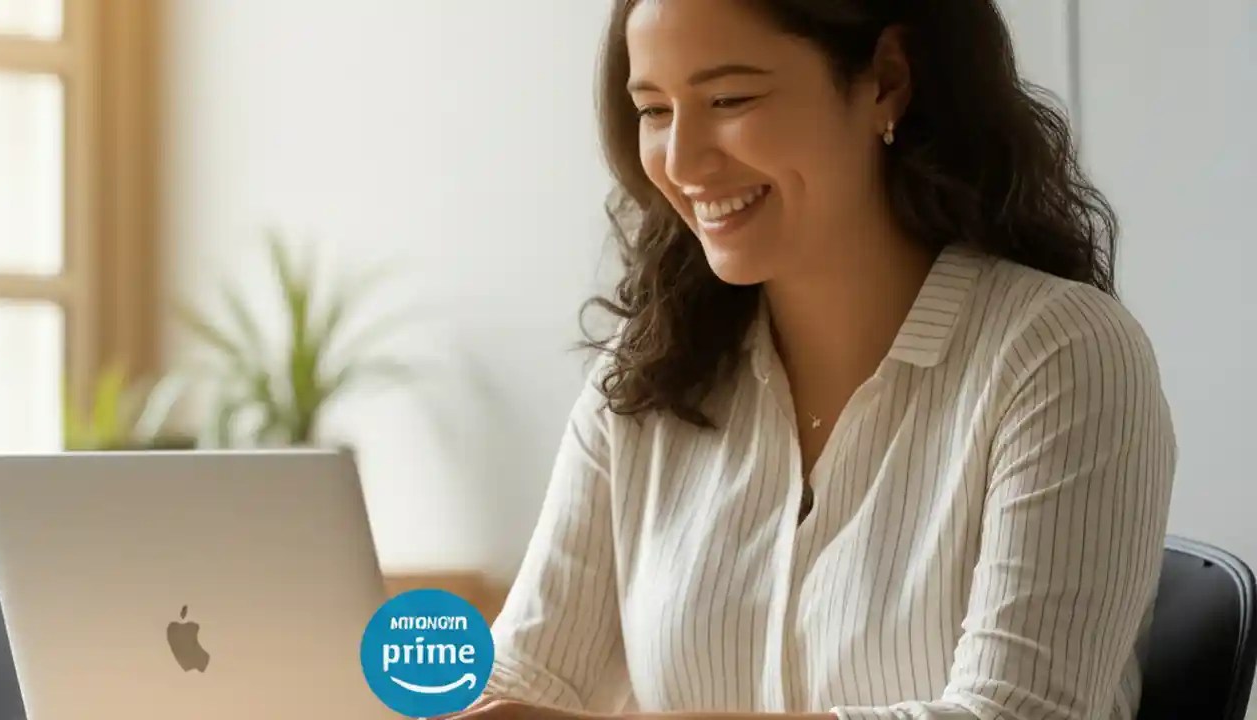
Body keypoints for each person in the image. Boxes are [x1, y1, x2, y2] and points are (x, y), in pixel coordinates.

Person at [449, 0, 1176, 718]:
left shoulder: (1060, 353)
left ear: (887, 79)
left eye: (730, 98)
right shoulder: (648, 377)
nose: (682, 162)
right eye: (655, 111)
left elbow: (1018, 716)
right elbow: (521, 681)